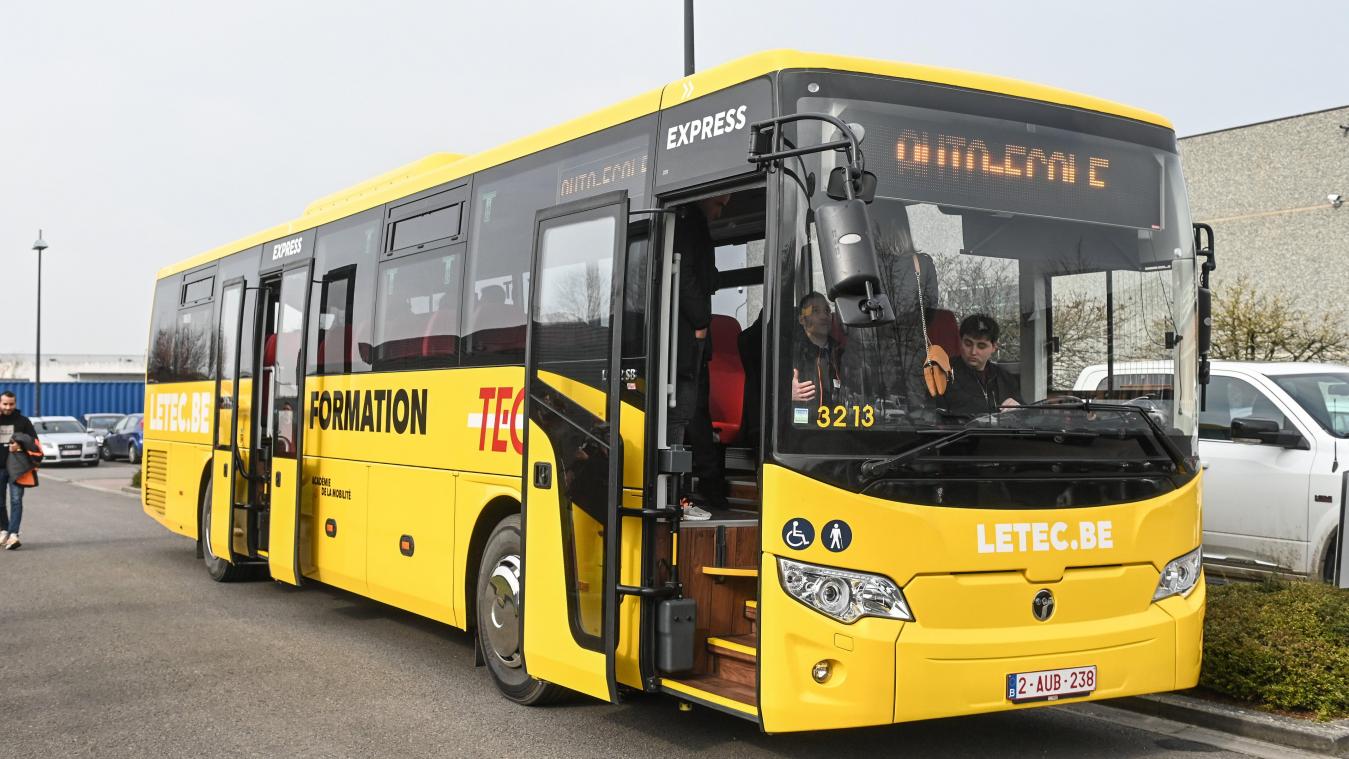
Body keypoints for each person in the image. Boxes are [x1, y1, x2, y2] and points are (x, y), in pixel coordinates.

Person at [669, 194, 730, 519]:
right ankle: (680, 496)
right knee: (686, 413)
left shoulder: (689, 224)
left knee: (692, 413)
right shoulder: (690, 224)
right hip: (687, 340)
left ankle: (696, 488)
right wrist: (701, 320)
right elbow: (687, 275)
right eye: (720, 204)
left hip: (688, 340)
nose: (723, 210)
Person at [945, 314, 1021, 417]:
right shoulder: (944, 374)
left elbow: (1026, 415)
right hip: (960, 433)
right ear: (960, 342)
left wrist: (1020, 408)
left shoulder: (1005, 378)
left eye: (981, 346)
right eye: (968, 344)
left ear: (994, 347)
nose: (973, 352)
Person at [791, 292, 844, 415]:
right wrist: (786, 394)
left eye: (827, 310)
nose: (824, 316)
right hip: (802, 431)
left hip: (840, 429)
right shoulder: (790, 354)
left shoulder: (842, 353)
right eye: (815, 311)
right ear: (802, 319)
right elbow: (766, 393)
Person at [0, 390, 40, 550]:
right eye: (5, 404)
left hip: (17, 468)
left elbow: (35, 442)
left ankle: (14, 534)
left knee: (16, 500)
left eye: (11, 404)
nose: (8, 407)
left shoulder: (23, 421)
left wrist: (20, 445)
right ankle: (4, 530)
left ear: (15, 404)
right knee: (0, 502)